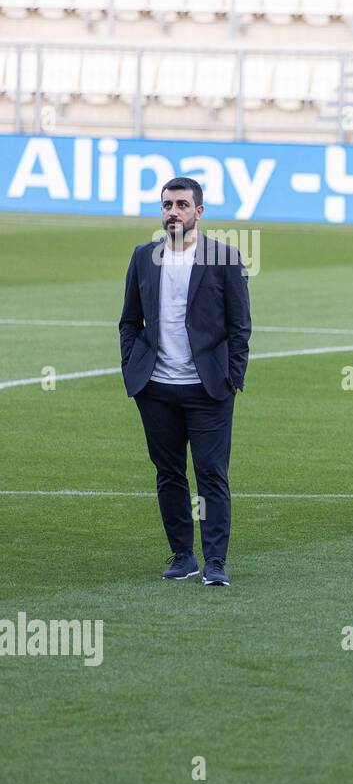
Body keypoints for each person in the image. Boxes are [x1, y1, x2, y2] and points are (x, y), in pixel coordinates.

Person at [119, 176, 251, 587]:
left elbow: (240, 326)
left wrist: (232, 378)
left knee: (212, 474)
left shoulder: (224, 258)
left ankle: (215, 560)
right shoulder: (144, 257)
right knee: (169, 473)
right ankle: (183, 555)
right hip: (156, 388)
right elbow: (128, 320)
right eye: (166, 205)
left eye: (180, 204)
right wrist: (132, 366)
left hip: (208, 388)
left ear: (199, 211)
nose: (172, 212)